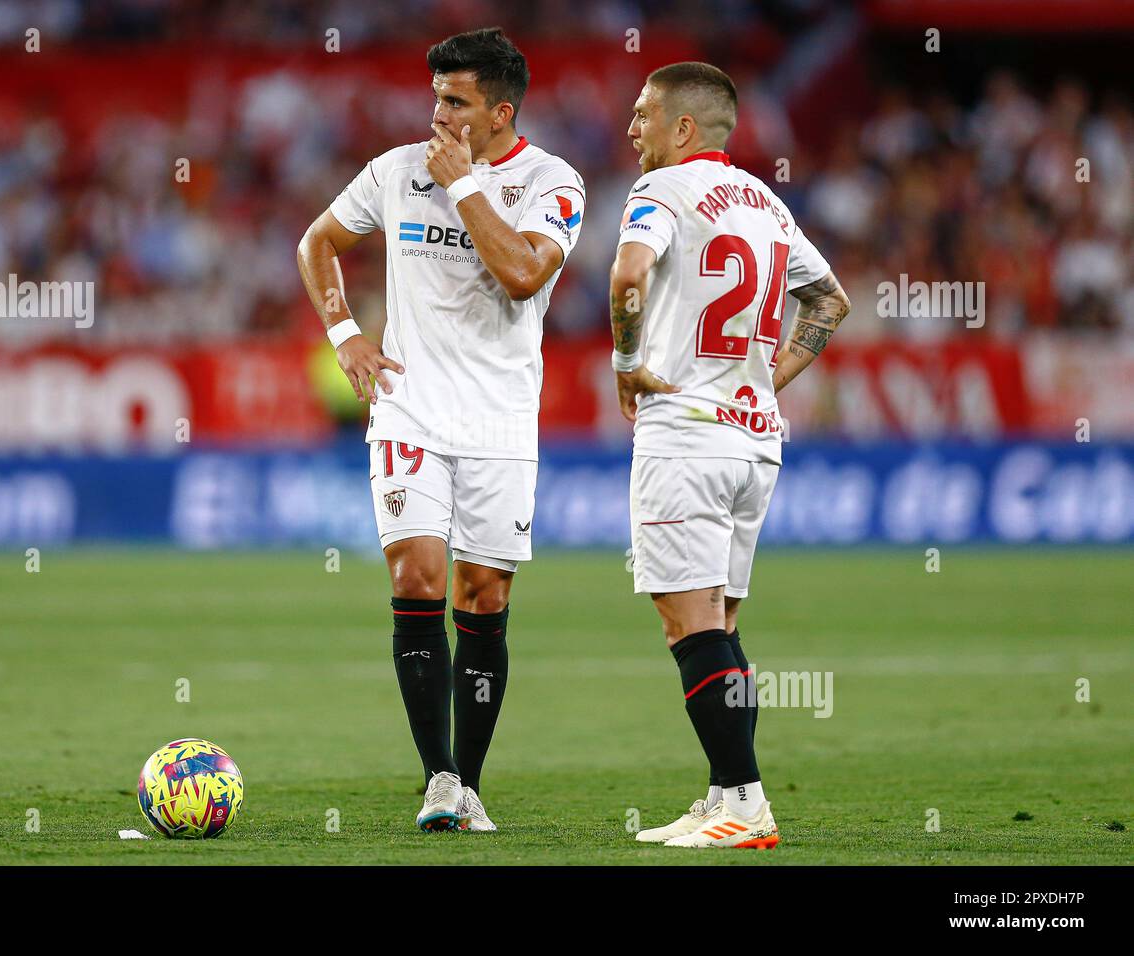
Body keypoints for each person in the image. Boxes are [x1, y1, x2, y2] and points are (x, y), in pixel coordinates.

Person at [296, 28, 585, 832]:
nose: (438, 113)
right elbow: (318, 242)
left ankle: (474, 783)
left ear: (499, 110)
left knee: (482, 598)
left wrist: (465, 189)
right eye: (435, 97)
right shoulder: (395, 171)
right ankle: (440, 778)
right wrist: (344, 333)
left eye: (455, 101)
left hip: (499, 421)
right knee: (417, 579)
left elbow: (525, 273)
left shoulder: (551, 182)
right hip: (409, 407)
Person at [607, 62, 850, 849]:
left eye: (644, 114)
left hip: (686, 433)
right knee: (718, 619)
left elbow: (627, 276)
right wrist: (766, 379)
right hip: (754, 439)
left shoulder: (660, 193)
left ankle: (745, 801)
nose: (632, 126)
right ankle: (724, 794)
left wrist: (624, 362)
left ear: (684, 129)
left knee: (690, 624)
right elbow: (830, 301)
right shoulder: (769, 203)